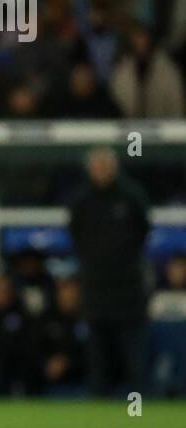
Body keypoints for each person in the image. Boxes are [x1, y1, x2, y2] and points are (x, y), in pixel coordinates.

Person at [67, 147, 152, 393]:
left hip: (128, 291)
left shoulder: (132, 195)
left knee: (135, 357)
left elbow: (143, 231)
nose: (102, 171)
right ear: (90, 170)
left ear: (115, 168)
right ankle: (97, 407)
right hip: (95, 290)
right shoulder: (81, 200)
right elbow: (76, 234)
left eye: (106, 166)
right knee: (97, 359)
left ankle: (140, 405)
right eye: (97, 166)